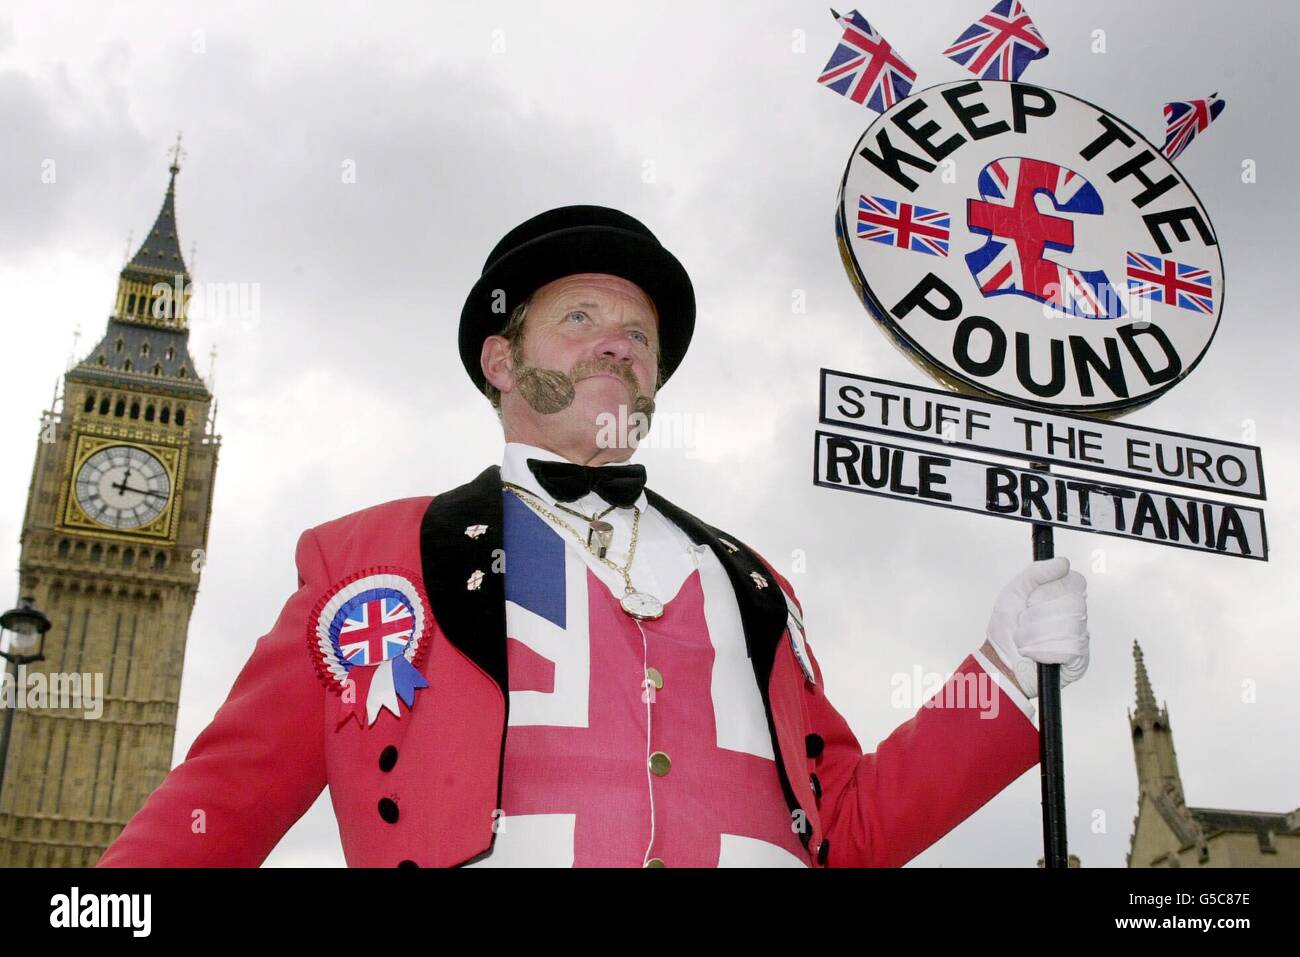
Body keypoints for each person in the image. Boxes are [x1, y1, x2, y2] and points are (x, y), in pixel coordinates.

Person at [98, 205, 1089, 868]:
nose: (618, 342)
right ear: (500, 360)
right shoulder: (370, 559)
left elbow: (849, 829)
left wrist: (999, 676)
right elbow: (213, 811)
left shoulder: (750, 582)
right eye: (579, 318)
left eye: (639, 334)